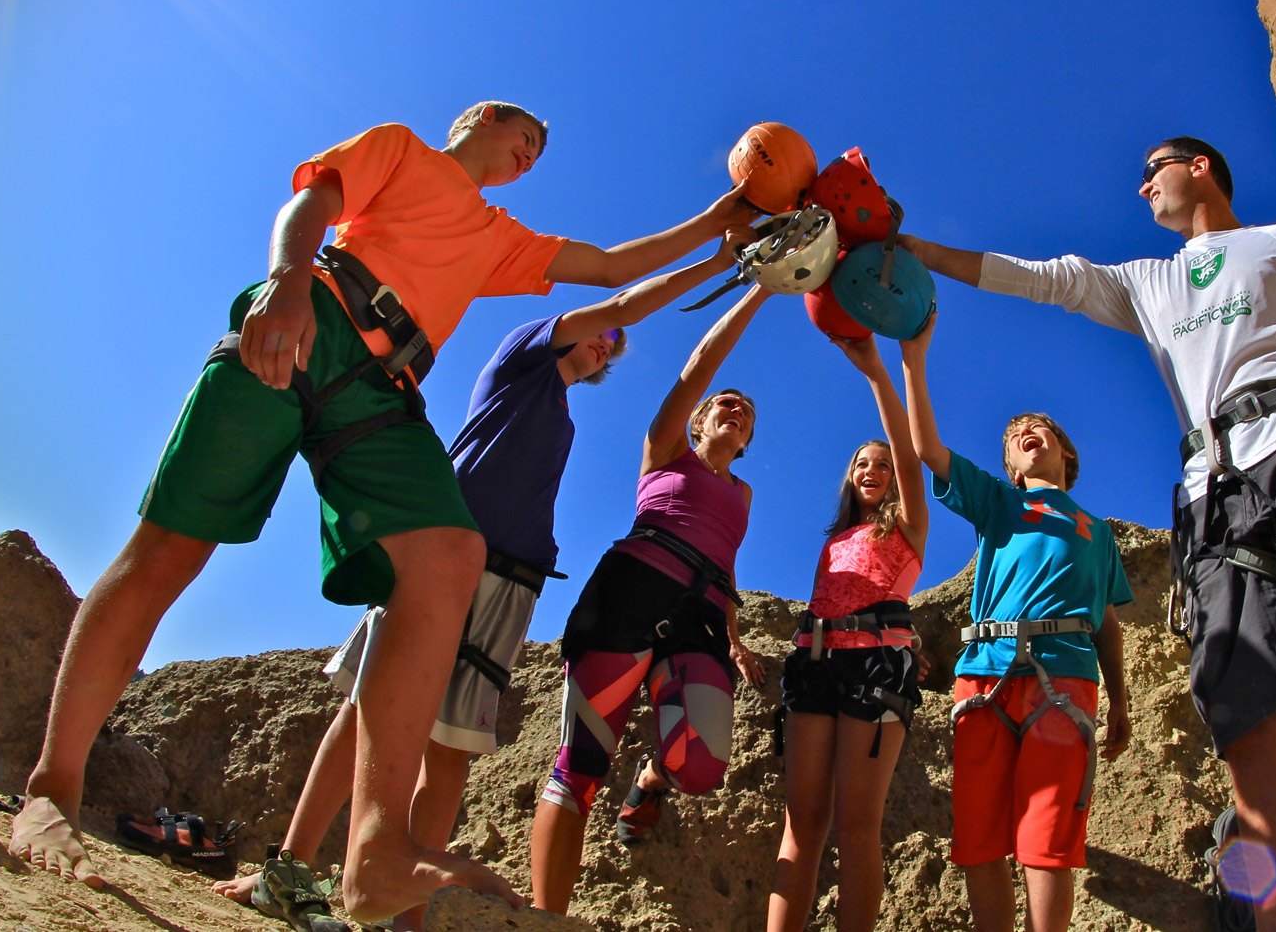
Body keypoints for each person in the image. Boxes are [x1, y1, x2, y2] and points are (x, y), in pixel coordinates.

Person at [7, 99, 755, 923]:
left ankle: (373, 852)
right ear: (478, 120)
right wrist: (289, 278)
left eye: (539, 152)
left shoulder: (501, 237)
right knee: (167, 557)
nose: (529, 155)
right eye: (524, 137)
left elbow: (616, 272)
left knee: (447, 554)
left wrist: (723, 230)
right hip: (310, 320)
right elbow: (315, 202)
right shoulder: (401, 151)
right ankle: (52, 787)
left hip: (382, 392)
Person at [901, 135, 1276, 932]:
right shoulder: (1148, 282)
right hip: (1210, 492)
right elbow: (1047, 279)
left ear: (1198, 168)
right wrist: (919, 251)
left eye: (1149, 171)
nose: (1139, 189)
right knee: (1247, 734)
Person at [209, 231, 753, 931]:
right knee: (367, 713)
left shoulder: (562, 417)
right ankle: (286, 868)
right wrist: (725, 266)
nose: (606, 344)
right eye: (601, 336)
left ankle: (406, 912)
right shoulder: (523, 356)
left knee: (452, 748)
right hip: (446, 553)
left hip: (512, 581)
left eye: (613, 347)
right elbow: (620, 303)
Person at [528, 286, 772, 915]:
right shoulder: (667, 448)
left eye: (745, 412)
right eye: (724, 404)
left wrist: (737, 636)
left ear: (747, 442)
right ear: (698, 420)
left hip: (702, 614)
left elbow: (729, 561)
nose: (733, 410)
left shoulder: (742, 496)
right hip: (631, 591)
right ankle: (545, 920)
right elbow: (698, 371)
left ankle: (650, 779)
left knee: (701, 768)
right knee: (580, 764)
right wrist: (761, 289)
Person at [898, 314, 1134, 932]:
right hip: (984, 680)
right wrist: (913, 359)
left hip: (1069, 679)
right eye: (1016, 434)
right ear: (1007, 463)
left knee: (1048, 836)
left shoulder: (1099, 531)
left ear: (1066, 452)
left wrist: (1122, 702)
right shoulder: (1000, 503)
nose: (1029, 433)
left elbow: (1106, 618)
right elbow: (927, 448)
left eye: (1042, 429)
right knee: (978, 837)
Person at [765, 335, 929, 932]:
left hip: (877, 671)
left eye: (881, 464)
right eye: (863, 462)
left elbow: (911, 457)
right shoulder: (833, 539)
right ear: (849, 476)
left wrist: (876, 374)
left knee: (857, 825)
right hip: (812, 667)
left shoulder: (907, 526)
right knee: (801, 821)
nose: (874, 470)